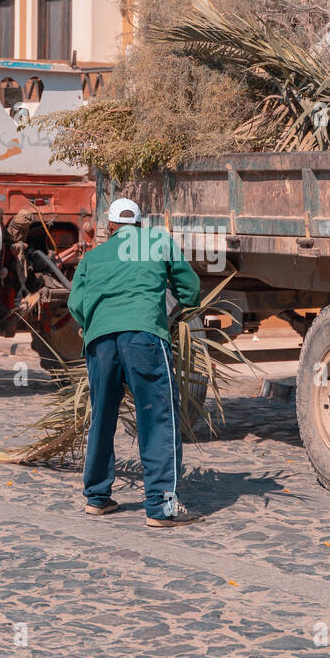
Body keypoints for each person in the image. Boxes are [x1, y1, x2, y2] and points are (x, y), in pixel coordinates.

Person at [67, 198, 203, 528]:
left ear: (110, 228)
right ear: (139, 225)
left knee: (101, 415)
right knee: (156, 416)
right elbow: (191, 288)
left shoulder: (93, 256)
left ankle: (97, 498)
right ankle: (161, 506)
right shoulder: (157, 241)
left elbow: (75, 304)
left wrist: (93, 322)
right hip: (144, 338)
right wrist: (180, 311)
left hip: (101, 343)